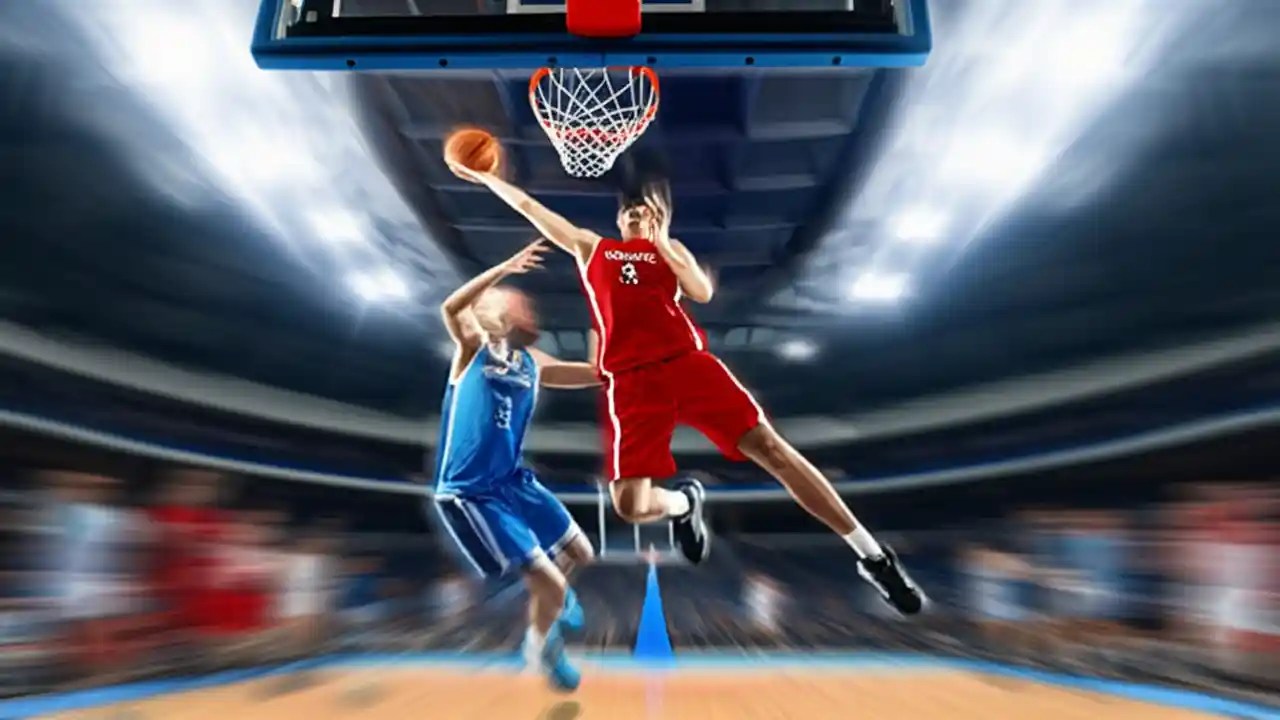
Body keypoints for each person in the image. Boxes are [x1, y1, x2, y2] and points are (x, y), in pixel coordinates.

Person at [446, 166, 923, 616]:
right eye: (629, 210)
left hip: (687, 366)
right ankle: (683, 504)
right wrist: (489, 177)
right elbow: (531, 207)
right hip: (630, 382)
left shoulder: (671, 255)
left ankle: (873, 556)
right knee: (630, 507)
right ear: (618, 218)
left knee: (773, 450)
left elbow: (702, 293)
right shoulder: (596, 249)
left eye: (646, 209)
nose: (637, 214)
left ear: (660, 217)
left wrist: (667, 240)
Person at [432, 241, 599, 691]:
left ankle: (552, 605)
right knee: (549, 581)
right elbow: (452, 306)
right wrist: (503, 266)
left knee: (581, 552)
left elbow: (597, 372)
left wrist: (601, 309)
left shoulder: (532, 363)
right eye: (519, 301)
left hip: (510, 481)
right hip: (472, 489)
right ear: (497, 315)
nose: (532, 309)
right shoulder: (473, 349)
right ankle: (541, 646)